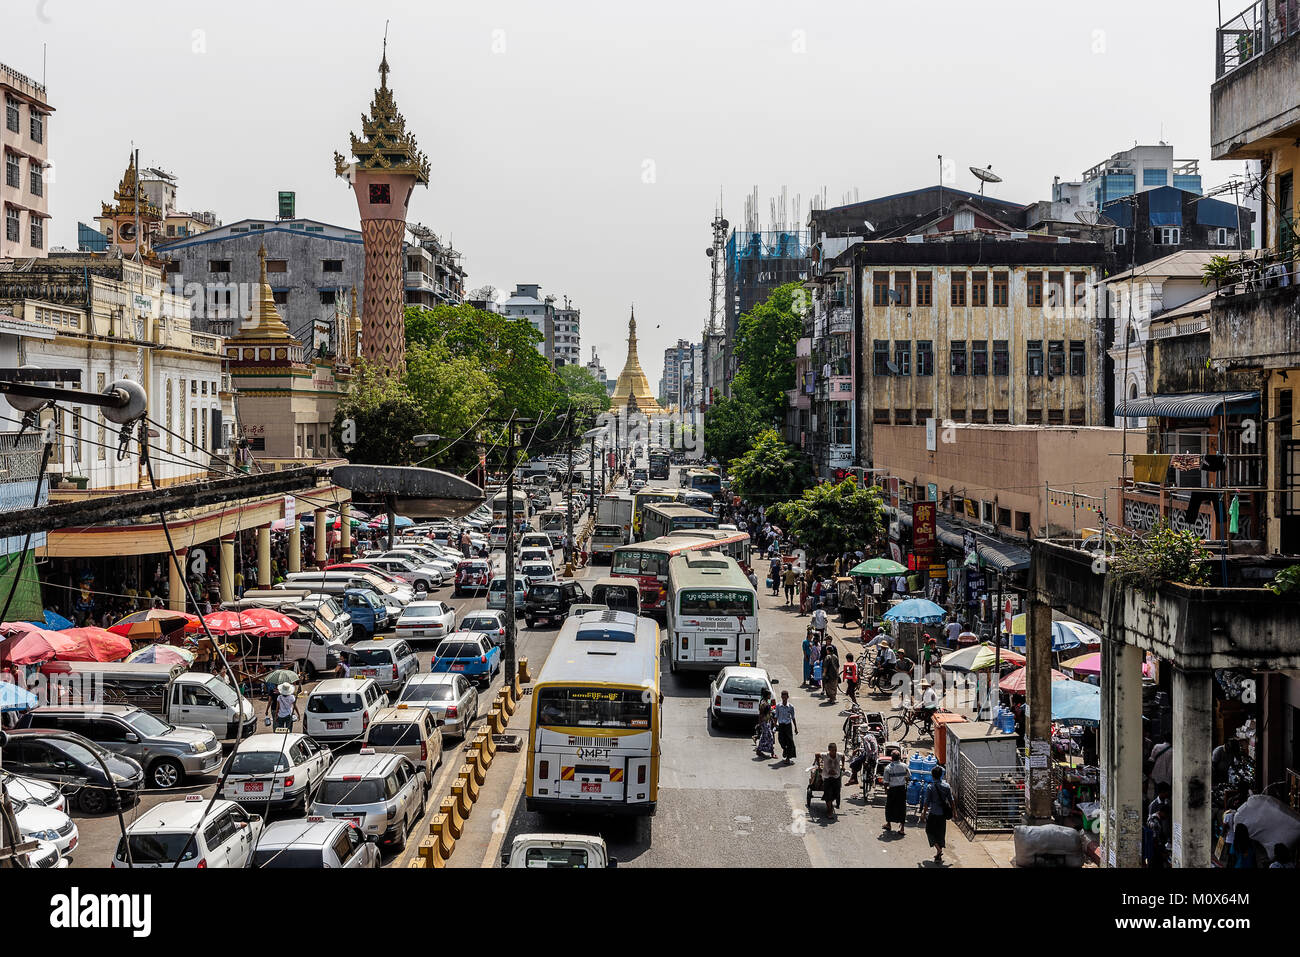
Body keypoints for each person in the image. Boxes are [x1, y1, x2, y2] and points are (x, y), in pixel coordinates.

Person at [919, 765, 954, 863]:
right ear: (941, 775)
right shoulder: (946, 786)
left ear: (932, 775)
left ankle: (938, 849)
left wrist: (923, 813)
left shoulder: (930, 787)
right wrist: (954, 812)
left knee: (929, 831)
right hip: (942, 814)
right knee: (940, 833)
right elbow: (951, 800)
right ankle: (939, 855)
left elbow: (926, 802)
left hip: (933, 813)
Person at [882, 750, 909, 833]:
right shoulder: (904, 766)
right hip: (901, 789)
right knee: (902, 807)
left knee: (889, 806)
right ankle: (902, 828)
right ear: (899, 757)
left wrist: (886, 790)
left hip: (893, 789)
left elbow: (886, 782)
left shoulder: (888, 768)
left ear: (891, 758)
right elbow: (908, 777)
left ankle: (888, 824)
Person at [818, 743, 843, 818]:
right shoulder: (825, 755)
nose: (834, 752)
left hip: (836, 777)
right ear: (829, 750)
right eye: (832, 750)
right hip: (827, 778)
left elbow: (843, 756)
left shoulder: (839, 755)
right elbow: (817, 754)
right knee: (828, 794)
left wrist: (844, 765)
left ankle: (830, 804)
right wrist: (819, 766)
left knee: (836, 793)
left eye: (835, 750)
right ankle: (829, 810)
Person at [774, 691, 798, 763]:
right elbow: (776, 716)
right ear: (781, 697)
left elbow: (793, 717)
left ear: (788, 697)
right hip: (781, 725)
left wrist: (796, 728)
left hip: (788, 726)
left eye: (785, 697)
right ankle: (784, 749)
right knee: (780, 739)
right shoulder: (778, 706)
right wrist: (775, 725)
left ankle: (788, 757)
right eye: (783, 697)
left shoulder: (791, 707)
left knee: (789, 742)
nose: (784, 699)